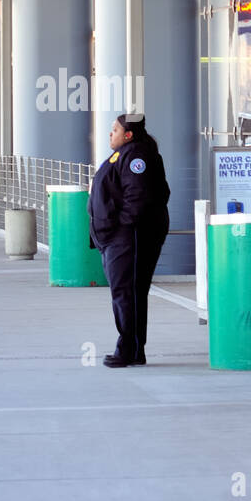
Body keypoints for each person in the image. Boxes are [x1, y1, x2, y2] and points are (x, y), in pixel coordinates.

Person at [88, 112, 170, 368]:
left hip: (130, 238)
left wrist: (120, 227)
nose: (110, 133)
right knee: (126, 292)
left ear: (129, 134)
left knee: (128, 292)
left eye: (115, 129)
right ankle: (132, 348)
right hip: (119, 238)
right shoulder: (125, 154)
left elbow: (138, 198)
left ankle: (129, 349)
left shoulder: (137, 156)